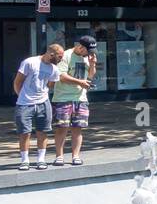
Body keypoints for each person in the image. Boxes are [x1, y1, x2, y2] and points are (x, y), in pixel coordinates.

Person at [13, 44, 91, 171]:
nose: (61, 59)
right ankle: (24, 160)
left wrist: (41, 95)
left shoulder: (54, 69)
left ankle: (41, 159)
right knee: (24, 132)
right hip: (25, 103)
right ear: (51, 54)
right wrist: (21, 96)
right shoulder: (29, 62)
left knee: (43, 131)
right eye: (59, 57)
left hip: (43, 103)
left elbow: (50, 85)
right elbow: (17, 82)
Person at [51, 35, 98, 166]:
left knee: (78, 128)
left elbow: (90, 76)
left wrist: (93, 64)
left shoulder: (87, 57)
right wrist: (80, 82)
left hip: (81, 97)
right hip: (63, 97)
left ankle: (75, 156)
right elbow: (61, 76)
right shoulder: (66, 55)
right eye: (87, 50)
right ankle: (59, 156)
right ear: (80, 46)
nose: (88, 53)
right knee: (62, 127)